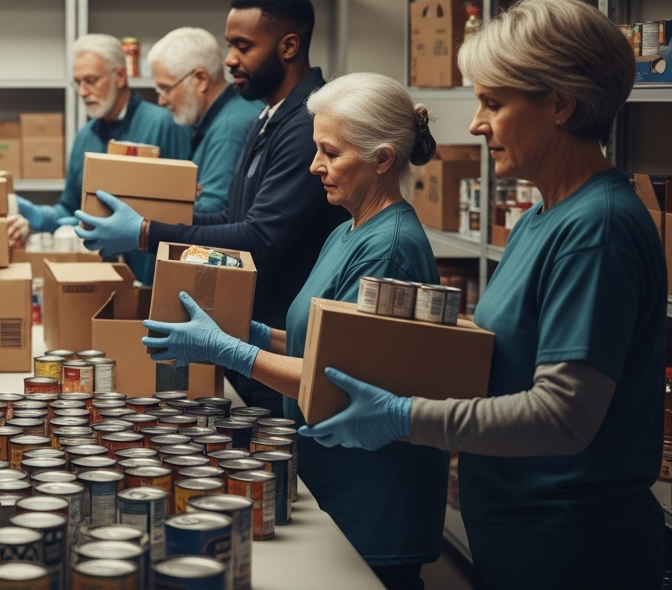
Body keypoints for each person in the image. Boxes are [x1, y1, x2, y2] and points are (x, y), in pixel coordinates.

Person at [296, 0, 665, 589]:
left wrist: (402, 416)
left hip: (570, 549)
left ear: (561, 105)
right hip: (516, 534)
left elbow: (563, 416)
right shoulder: (540, 218)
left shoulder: (595, 229)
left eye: (493, 102)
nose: (475, 123)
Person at [140, 72, 446, 590]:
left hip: (371, 494)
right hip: (330, 476)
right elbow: (319, 342)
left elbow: (338, 382)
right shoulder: (348, 228)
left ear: (382, 159)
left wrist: (229, 350)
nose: (314, 167)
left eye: (330, 153)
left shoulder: (389, 249)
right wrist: (253, 332)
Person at [75, 0, 348, 415]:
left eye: (243, 46)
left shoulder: (305, 125)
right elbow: (230, 215)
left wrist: (145, 232)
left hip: (281, 346)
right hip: (253, 335)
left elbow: (258, 238)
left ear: (289, 46)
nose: (230, 60)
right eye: (229, 45)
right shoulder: (267, 116)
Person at [16, 33, 190, 282]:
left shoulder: (162, 124)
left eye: (91, 80)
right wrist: (38, 218)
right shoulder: (86, 136)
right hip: (100, 275)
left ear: (120, 77)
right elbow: (70, 207)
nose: (83, 92)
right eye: (78, 83)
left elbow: (182, 213)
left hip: (155, 276)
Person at [147, 26, 261, 214]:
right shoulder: (233, 112)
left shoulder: (227, 130)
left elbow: (211, 213)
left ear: (201, 79)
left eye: (166, 89)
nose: (161, 100)